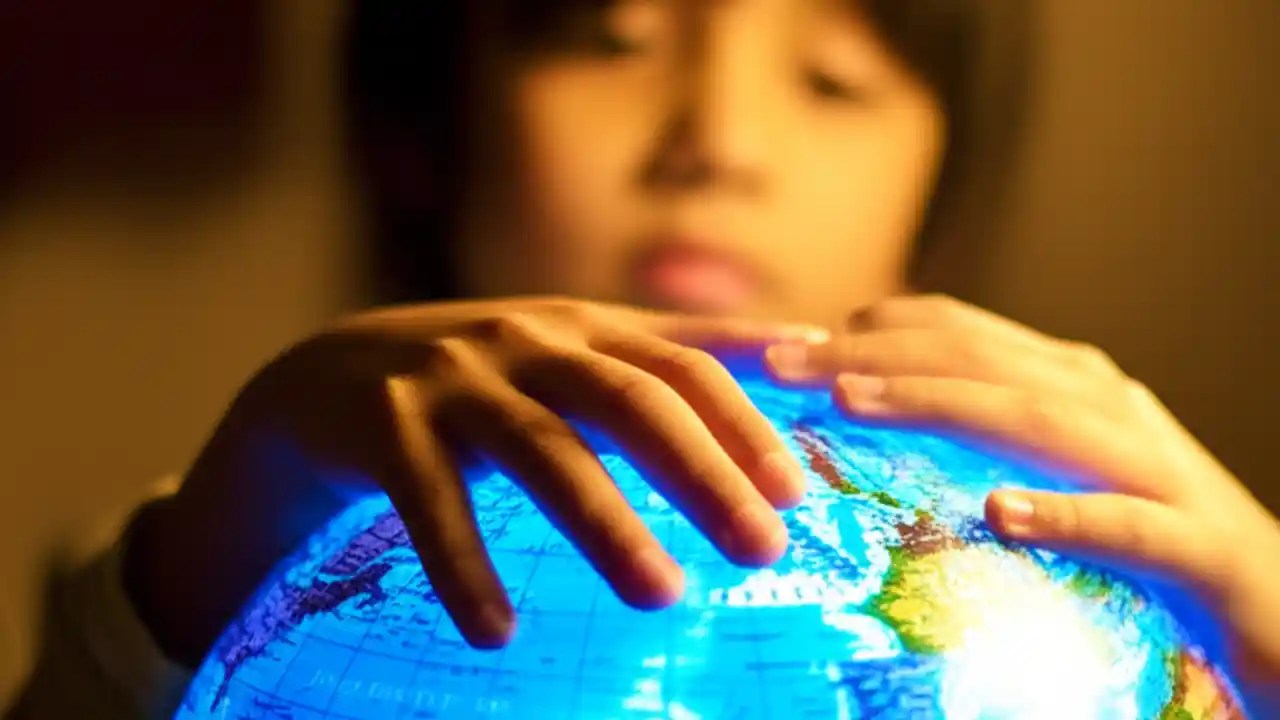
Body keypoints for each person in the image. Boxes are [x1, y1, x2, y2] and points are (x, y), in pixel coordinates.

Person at [9, 1, 1279, 717]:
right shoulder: (211, 566)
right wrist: (246, 501)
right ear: (422, 129)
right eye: (610, 40)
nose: (715, 139)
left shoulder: (1061, 600)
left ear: (934, 195)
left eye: (833, 82)